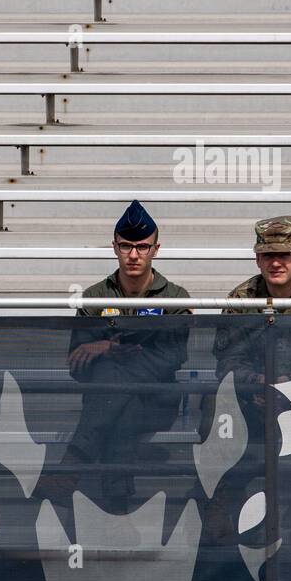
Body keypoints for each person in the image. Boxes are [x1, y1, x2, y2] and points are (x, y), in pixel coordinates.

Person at [206, 216, 291, 564]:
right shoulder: (242, 298)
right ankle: (222, 508)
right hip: (253, 398)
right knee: (216, 409)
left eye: (284, 254)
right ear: (257, 259)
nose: (276, 262)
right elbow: (227, 361)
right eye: (268, 255)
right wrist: (255, 383)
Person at [45, 200, 191, 507]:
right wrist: (116, 350)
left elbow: (171, 359)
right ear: (114, 247)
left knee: (113, 376)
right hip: (111, 398)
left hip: (158, 400)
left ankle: (72, 463)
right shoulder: (95, 297)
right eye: (126, 246)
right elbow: (77, 364)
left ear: (156, 249)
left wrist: (108, 347)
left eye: (142, 247)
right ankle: (117, 500)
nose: (134, 255)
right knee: (120, 402)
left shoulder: (176, 297)